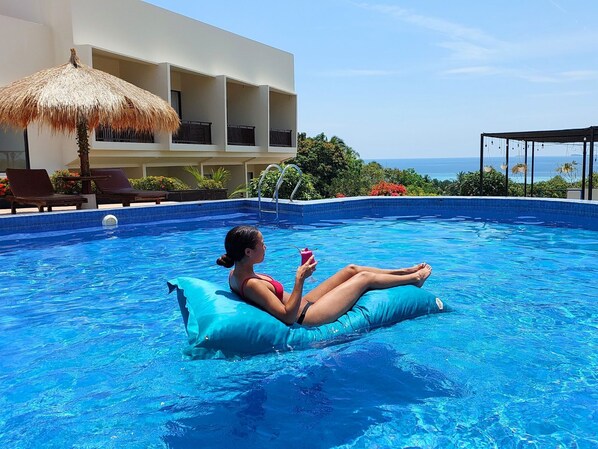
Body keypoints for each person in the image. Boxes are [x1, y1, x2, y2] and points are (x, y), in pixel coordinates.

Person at [217, 225, 432, 327]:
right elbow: (287, 317)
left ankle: (404, 270)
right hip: (308, 316)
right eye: (262, 244)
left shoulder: (235, 273)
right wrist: (300, 279)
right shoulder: (252, 284)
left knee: (351, 269)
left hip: (304, 304)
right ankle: (414, 279)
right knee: (364, 278)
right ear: (248, 252)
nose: (265, 247)